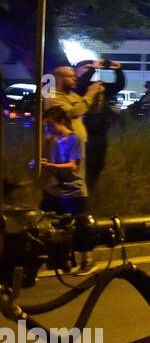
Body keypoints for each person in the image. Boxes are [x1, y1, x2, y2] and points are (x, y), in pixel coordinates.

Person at [40, 105, 93, 272]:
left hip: (73, 190)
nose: (48, 129)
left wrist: (49, 165)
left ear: (61, 122)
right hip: (54, 189)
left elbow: (72, 166)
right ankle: (58, 260)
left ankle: (87, 260)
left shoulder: (75, 139)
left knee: (81, 224)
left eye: (50, 124)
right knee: (40, 221)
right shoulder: (50, 140)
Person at [75, 58, 125, 194]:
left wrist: (118, 71)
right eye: (86, 68)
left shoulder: (97, 85)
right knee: (83, 164)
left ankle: (91, 191)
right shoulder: (75, 86)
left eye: (90, 68)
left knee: (97, 164)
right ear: (77, 71)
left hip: (99, 131)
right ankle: (80, 191)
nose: (90, 70)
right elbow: (80, 86)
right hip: (81, 131)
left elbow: (118, 86)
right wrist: (92, 69)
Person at [44, 65, 93, 176]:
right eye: (71, 76)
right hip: (64, 144)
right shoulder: (52, 97)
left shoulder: (74, 96)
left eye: (75, 76)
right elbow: (71, 112)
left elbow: (86, 108)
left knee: (78, 176)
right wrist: (90, 94)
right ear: (59, 79)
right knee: (68, 177)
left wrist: (97, 93)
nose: (75, 78)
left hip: (78, 144)